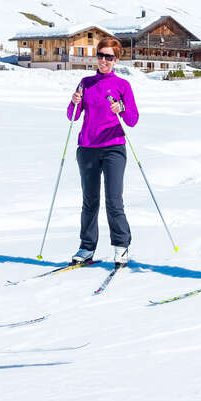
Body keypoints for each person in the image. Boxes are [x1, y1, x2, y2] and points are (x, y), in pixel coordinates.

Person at [67, 38, 138, 267]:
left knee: (113, 200)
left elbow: (133, 119)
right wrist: (73, 101)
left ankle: (121, 246)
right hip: (87, 148)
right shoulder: (86, 82)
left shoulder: (122, 85)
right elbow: (73, 116)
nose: (103, 60)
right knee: (90, 201)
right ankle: (87, 247)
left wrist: (122, 108)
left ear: (116, 60)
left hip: (113, 148)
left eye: (109, 57)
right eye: (100, 55)